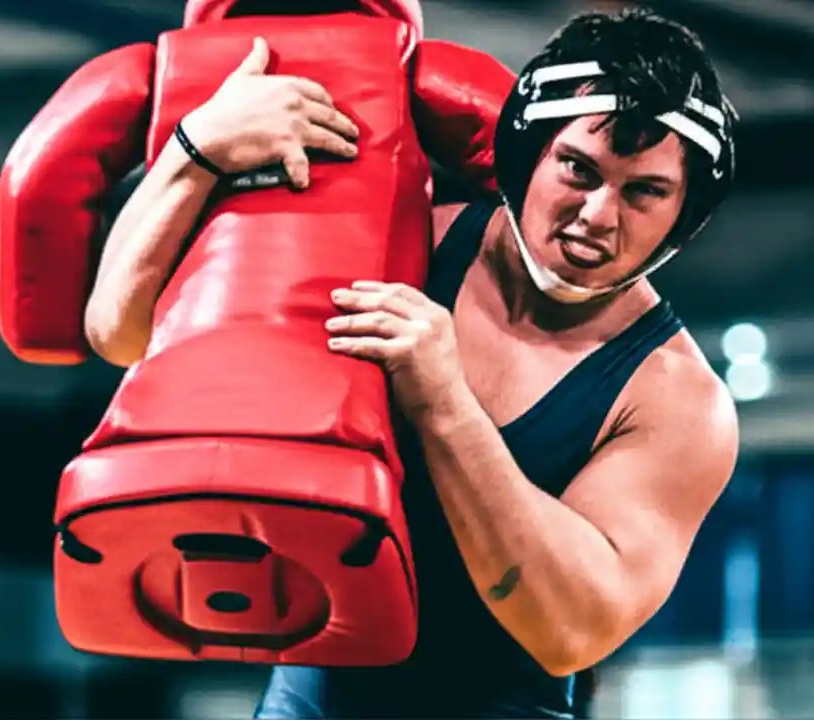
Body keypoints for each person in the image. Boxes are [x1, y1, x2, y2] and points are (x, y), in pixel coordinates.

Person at [85, 7, 740, 719]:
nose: (597, 216)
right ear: (530, 154)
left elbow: (570, 629)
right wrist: (193, 151)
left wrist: (445, 404)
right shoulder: (401, 243)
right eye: (577, 170)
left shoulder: (673, 399)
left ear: (685, 213)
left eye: (644, 191)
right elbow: (124, 334)